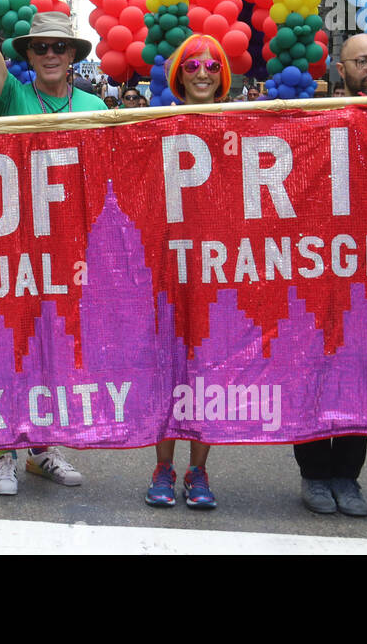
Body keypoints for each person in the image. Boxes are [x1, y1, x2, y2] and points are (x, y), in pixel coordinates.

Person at [0, 0, 98, 495]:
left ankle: (43, 449)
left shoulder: (94, 108)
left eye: (57, 47)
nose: (48, 54)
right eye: (39, 47)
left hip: (68, 245)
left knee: (54, 348)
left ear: (72, 55)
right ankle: (5, 454)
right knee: (10, 344)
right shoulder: (13, 95)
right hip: (12, 241)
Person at [290, 32, 367, 518]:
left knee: (358, 371)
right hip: (314, 269)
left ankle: (347, 476)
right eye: (362, 61)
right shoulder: (312, 119)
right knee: (311, 367)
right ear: (340, 69)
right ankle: (313, 474)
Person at [145, 34, 232, 509]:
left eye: (212, 66)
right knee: (168, 370)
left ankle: (198, 471)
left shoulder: (243, 123)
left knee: (209, 371)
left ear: (223, 76)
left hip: (220, 269)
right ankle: (162, 467)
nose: (202, 73)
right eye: (193, 65)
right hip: (168, 266)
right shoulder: (156, 124)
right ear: (178, 75)